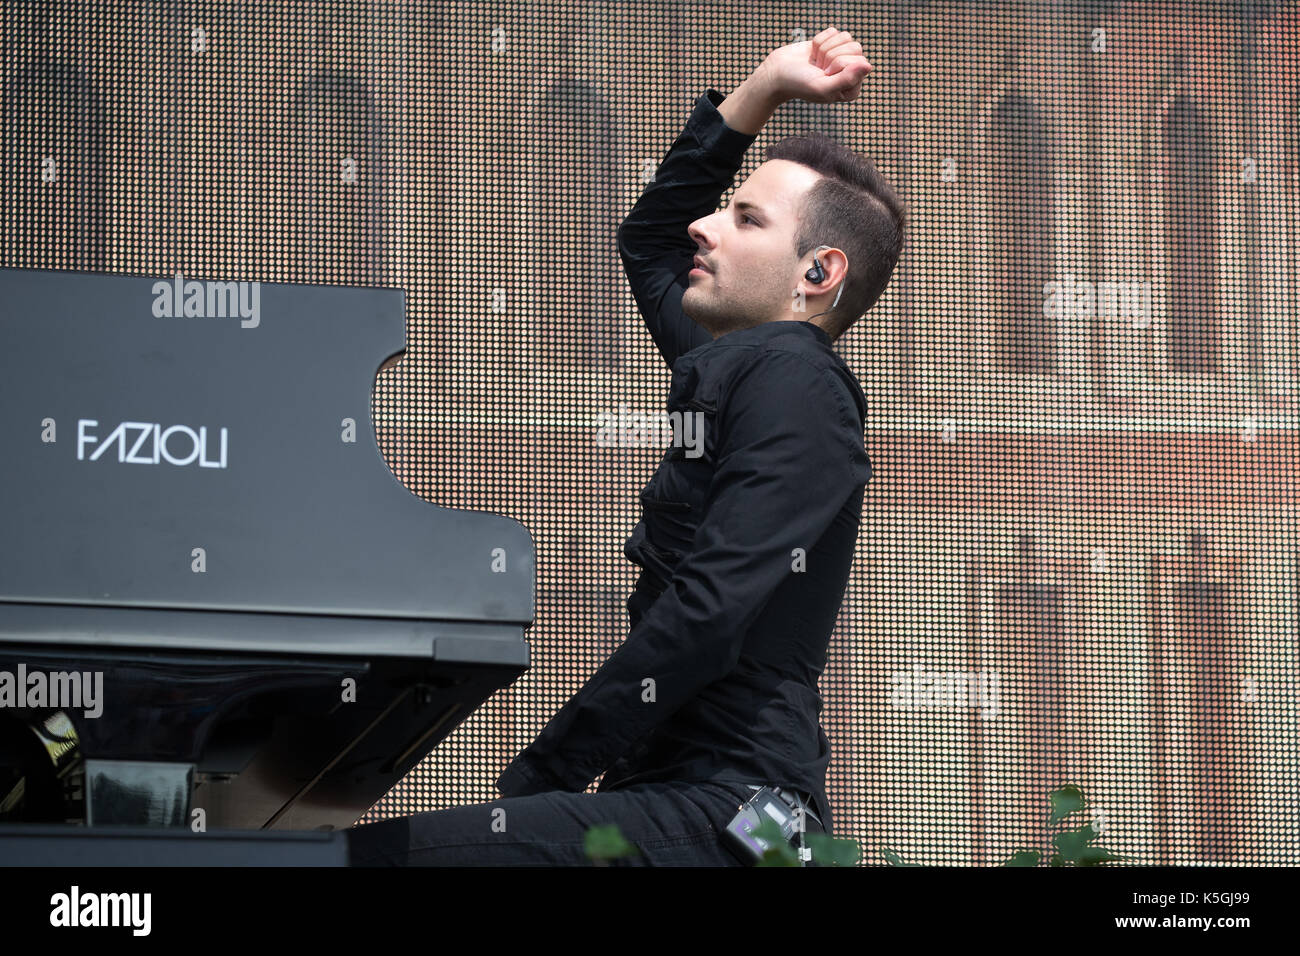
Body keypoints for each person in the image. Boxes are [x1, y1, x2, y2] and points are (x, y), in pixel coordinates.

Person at [347, 26, 905, 866]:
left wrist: (544, 775)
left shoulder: (797, 383)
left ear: (816, 274)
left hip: (735, 816)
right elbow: (649, 239)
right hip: (682, 802)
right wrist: (763, 88)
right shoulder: (742, 361)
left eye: (744, 218)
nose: (706, 228)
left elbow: (709, 614)